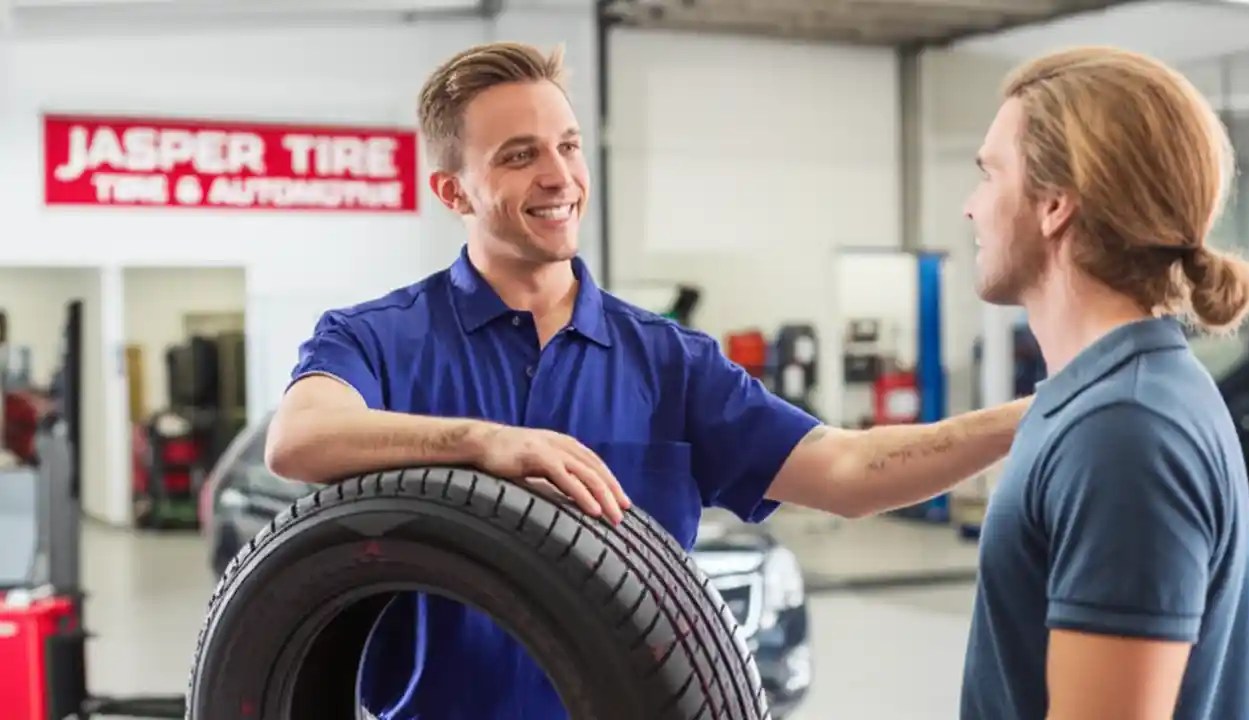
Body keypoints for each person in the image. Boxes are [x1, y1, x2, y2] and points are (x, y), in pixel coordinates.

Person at [266, 41, 1029, 720]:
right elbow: (299, 439)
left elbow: (849, 472)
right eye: (519, 155)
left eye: (569, 146)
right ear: (453, 191)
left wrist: (1037, 413)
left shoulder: (669, 360)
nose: (559, 176)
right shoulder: (378, 338)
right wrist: (482, 444)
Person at [960, 46, 1249, 720]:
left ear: (1055, 205)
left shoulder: (1123, 433)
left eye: (990, 174)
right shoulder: (1102, 403)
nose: (971, 208)